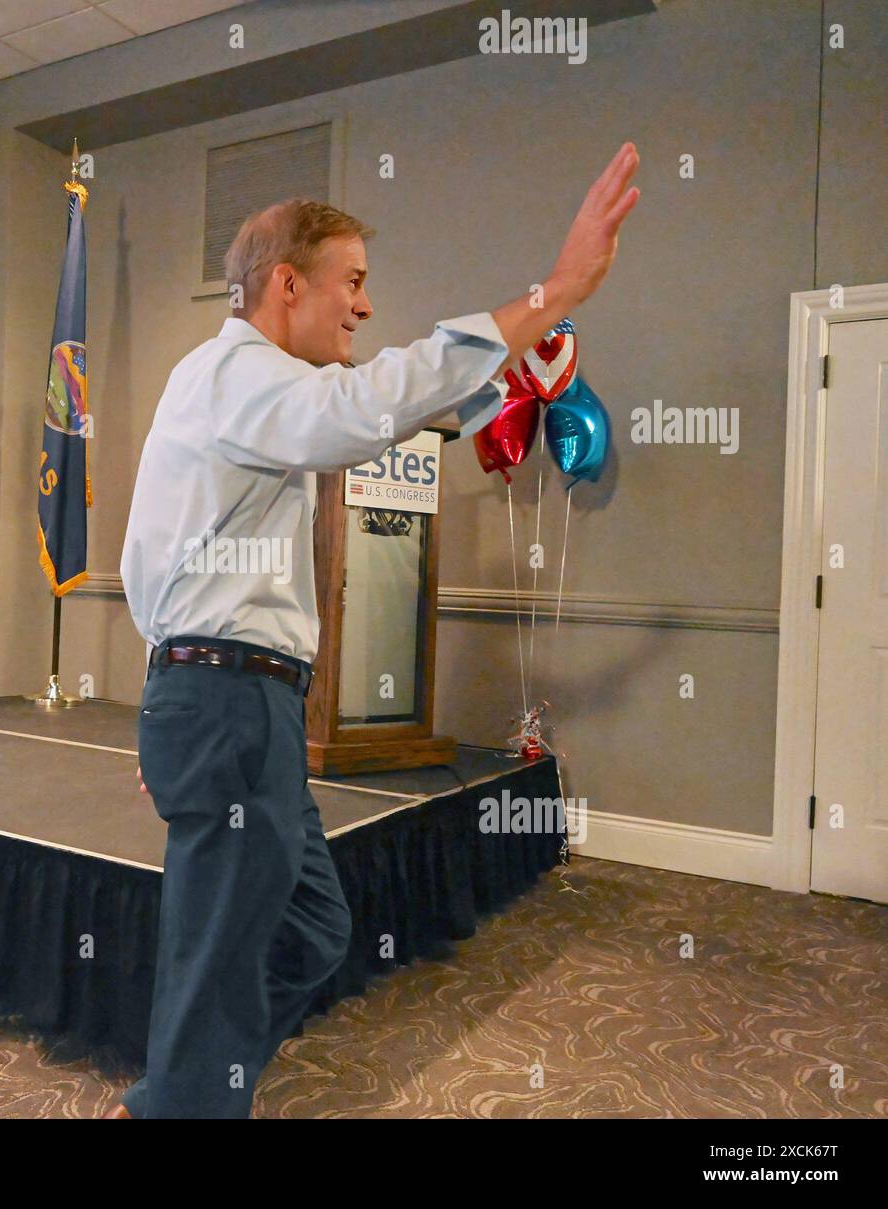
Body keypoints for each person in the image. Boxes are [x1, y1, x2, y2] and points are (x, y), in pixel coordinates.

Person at [111, 143, 640, 1118]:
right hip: (226, 702)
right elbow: (363, 412)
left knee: (309, 931)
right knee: (219, 967)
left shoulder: (253, 394)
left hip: (232, 704)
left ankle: (182, 1090)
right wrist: (553, 291)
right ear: (284, 283)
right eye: (350, 283)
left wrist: (507, 378)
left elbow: (369, 425)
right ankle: (179, 1102)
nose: (361, 305)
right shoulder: (234, 374)